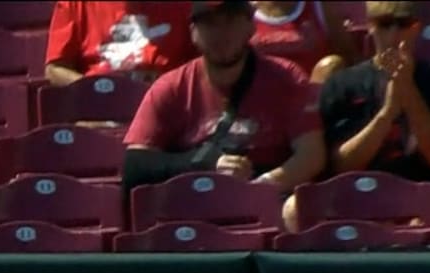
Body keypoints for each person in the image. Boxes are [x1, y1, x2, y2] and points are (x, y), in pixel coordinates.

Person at [122, 0, 326, 197]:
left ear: (251, 26)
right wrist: (202, 163)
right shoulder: (172, 87)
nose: (221, 33)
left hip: (267, 202)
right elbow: (135, 164)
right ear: (193, 32)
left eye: (231, 20)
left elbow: (310, 155)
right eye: (209, 23)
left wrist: (258, 189)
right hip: (195, 204)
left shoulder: (287, 78)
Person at [318, 2, 430, 225]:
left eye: (403, 24)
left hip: (425, 196)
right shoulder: (342, 84)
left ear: (416, 27)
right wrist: (387, 113)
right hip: (358, 198)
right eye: (385, 24)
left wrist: (407, 91)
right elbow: (343, 165)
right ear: (371, 26)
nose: (394, 34)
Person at [43, 1, 199, 85]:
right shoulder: (75, 4)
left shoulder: (183, 5)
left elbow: (203, 65)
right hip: (99, 115)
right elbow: (55, 70)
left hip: (167, 109)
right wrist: (97, 89)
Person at [249, 1, 358, 84]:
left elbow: (349, 56)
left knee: (332, 63)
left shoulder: (319, 5)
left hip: (315, 99)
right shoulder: (245, 11)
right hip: (262, 99)